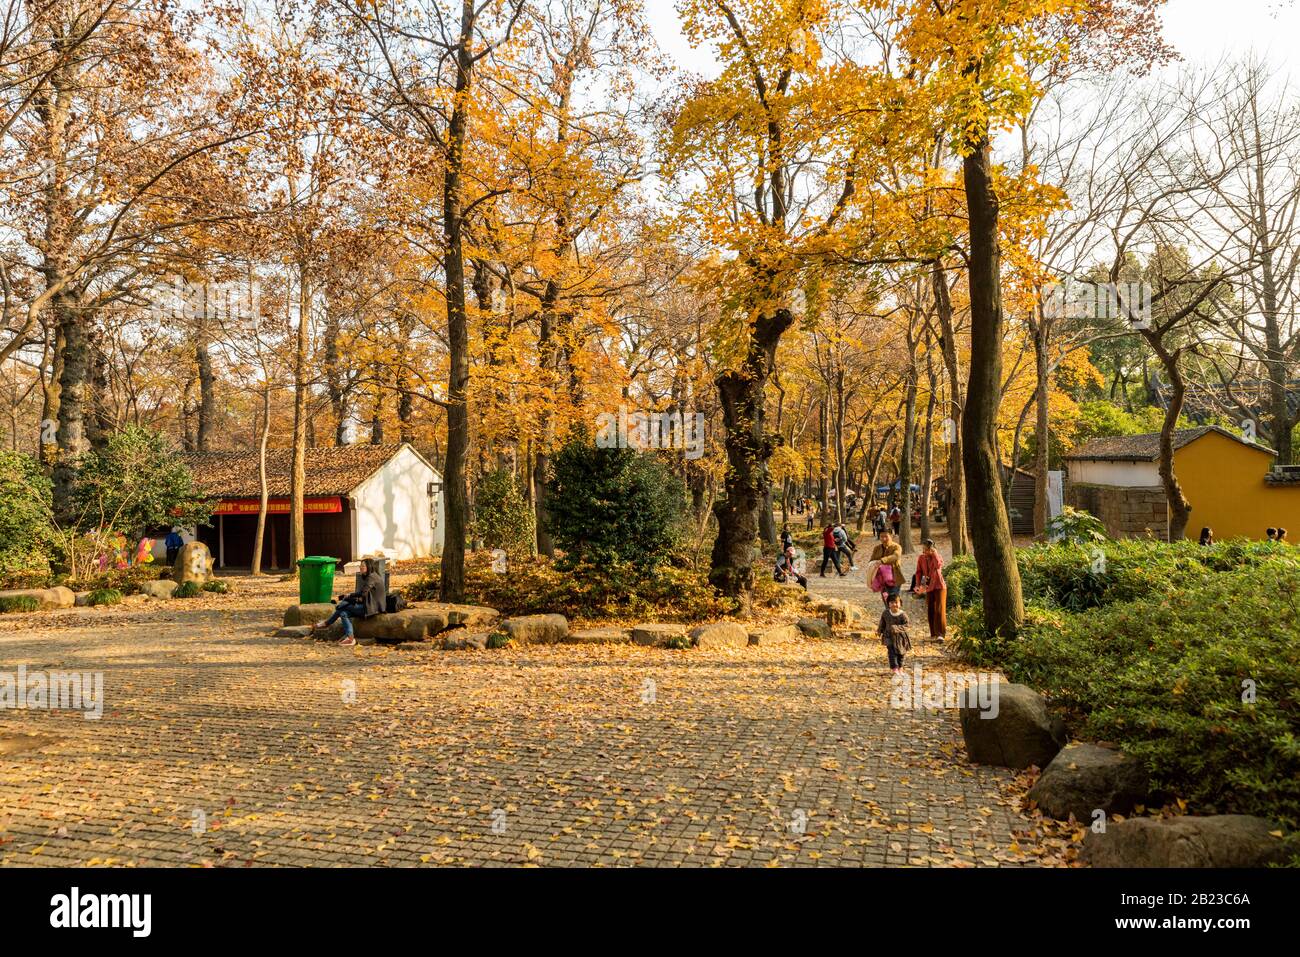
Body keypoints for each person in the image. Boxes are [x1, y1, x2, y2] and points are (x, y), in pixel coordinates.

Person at [314, 559, 384, 647]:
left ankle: (327, 623)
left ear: (369, 567)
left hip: (372, 609)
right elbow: (364, 596)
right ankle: (350, 638)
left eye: (363, 566)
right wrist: (350, 597)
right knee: (343, 613)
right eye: (360, 565)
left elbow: (363, 594)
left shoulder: (371, 578)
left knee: (341, 607)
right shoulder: (373, 576)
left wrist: (350, 595)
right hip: (370, 606)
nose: (360, 567)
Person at [913, 539, 947, 642]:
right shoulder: (921, 558)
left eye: (927, 549)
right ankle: (933, 633)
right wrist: (918, 584)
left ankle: (940, 634)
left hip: (939, 586)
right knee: (931, 609)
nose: (924, 551)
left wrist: (934, 553)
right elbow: (918, 572)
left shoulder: (937, 556)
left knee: (939, 609)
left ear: (932, 549)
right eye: (923, 548)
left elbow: (938, 565)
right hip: (928, 586)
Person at [877, 594, 911, 674]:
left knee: (901, 653)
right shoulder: (886, 613)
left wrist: (897, 628)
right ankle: (894, 667)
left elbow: (907, 625)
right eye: (891, 602)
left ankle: (900, 667)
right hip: (889, 636)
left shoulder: (903, 615)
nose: (894, 604)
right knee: (891, 652)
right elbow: (882, 622)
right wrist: (879, 630)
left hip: (900, 638)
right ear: (888, 604)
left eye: (896, 602)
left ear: (900, 603)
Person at [867, 530, 903, 603]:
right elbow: (872, 560)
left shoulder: (896, 547)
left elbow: (896, 556)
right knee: (886, 599)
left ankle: (897, 609)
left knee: (894, 598)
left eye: (886, 536)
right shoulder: (877, 548)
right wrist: (872, 565)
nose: (884, 539)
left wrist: (882, 561)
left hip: (894, 577)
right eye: (881, 537)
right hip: (881, 580)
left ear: (891, 536)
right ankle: (888, 609)